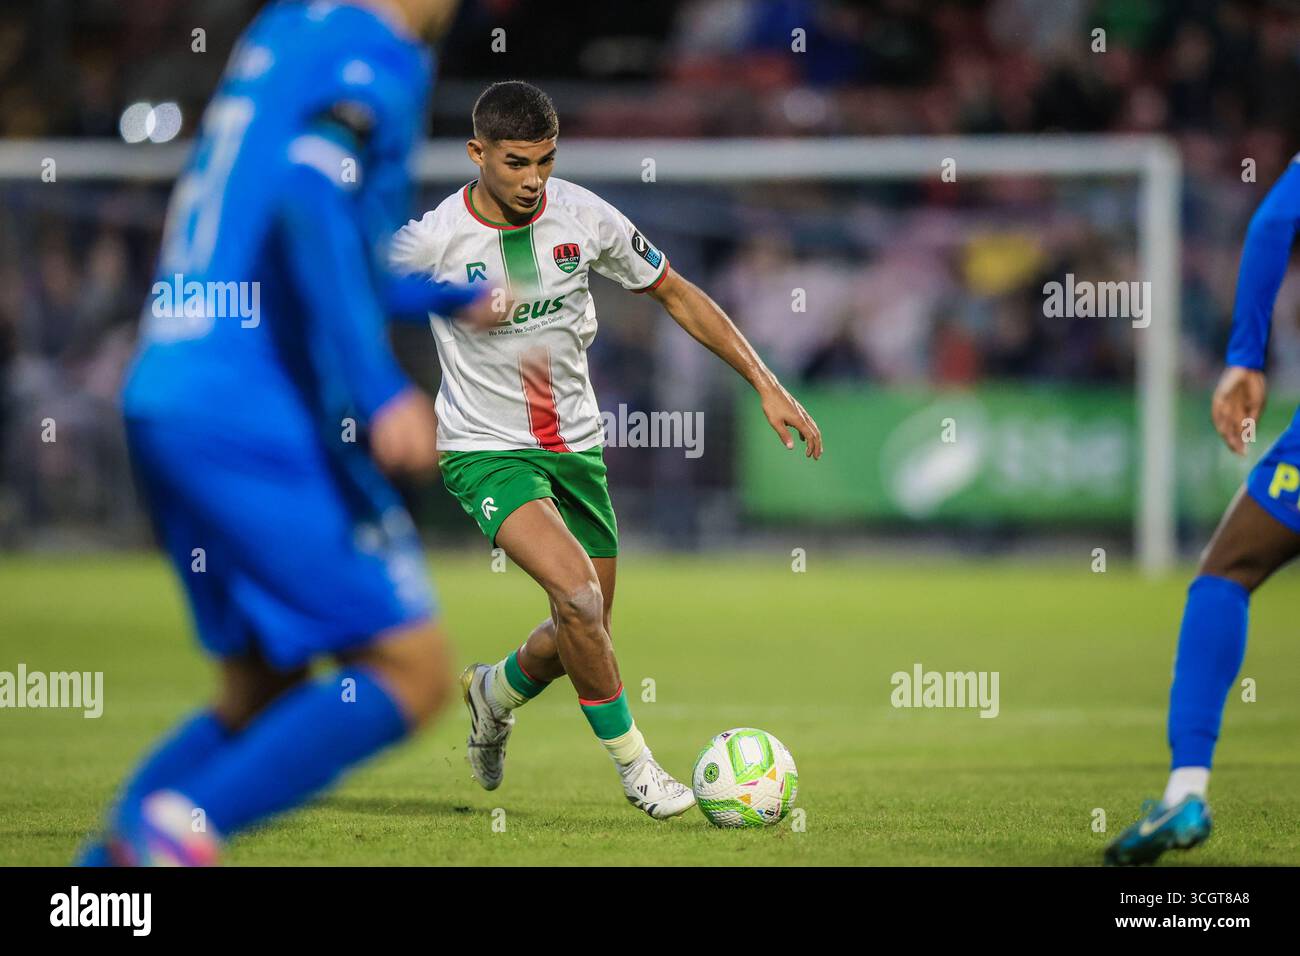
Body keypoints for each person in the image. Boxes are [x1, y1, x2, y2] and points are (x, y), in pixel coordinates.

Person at [390, 80, 823, 819]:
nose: (533, 179)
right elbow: (356, 288)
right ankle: (639, 771)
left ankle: (490, 693)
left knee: (579, 634)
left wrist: (766, 382)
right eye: (517, 162)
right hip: (484, 450)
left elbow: (677, 292)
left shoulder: (583, 216)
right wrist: (438, 304)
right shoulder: (435, 238)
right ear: (477, 153)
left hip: (577, 450)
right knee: (580, 598)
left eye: (546, 161)